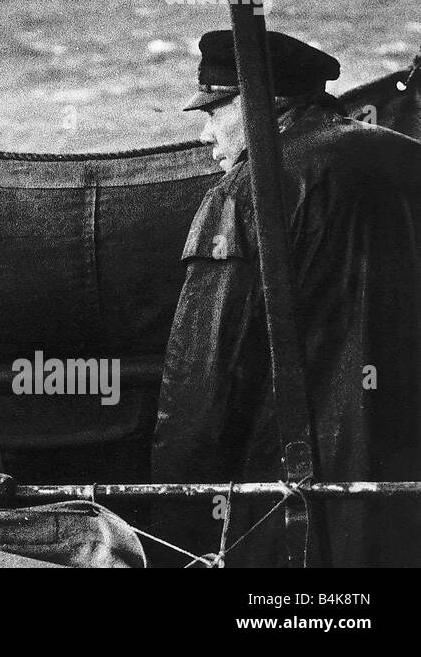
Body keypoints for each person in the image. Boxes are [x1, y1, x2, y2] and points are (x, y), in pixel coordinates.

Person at [152, 30, 421, 566]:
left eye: (214, 110)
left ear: (259, 104)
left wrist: (172, 505)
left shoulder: (248, 191)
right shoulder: (407, 158)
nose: (206, 134)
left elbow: (205, 373)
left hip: (302, 494)